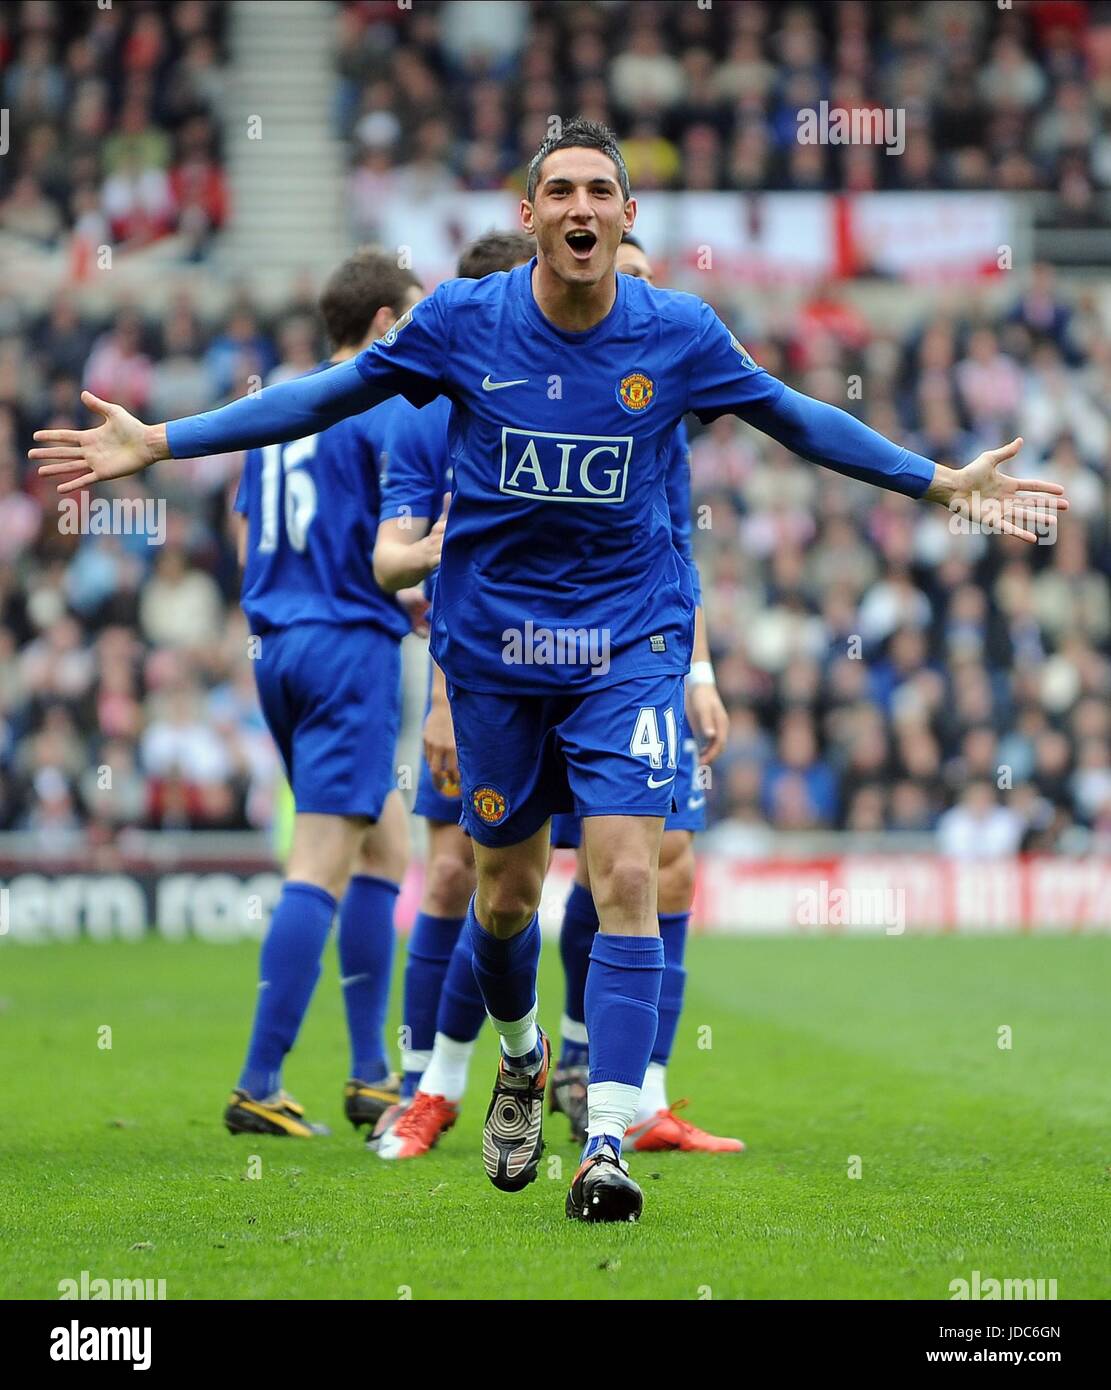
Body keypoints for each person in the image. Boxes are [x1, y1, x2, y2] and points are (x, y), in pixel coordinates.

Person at [33, 118, 1066, 1221]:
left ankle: (606, 1136)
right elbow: (326, 396)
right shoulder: (463, 321)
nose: (581, 209)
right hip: (494, 653)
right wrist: (166, 441)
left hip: (628, 645)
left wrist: (935, 482)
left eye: (601, 194)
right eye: (561, 192)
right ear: (529, 216)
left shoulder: (677, 333)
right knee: (505, 893)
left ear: (628, 219)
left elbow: (796, 418)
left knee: (626, 875)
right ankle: (519, 1058)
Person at [222, 248, 440, 1138]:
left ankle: (368, 1075)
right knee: (319, 859)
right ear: (387, 324)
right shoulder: (379, 405)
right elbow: (394, 545)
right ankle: (258, 1083)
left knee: (383, 850)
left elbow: (246, 540)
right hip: (348, 645)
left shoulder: (282, 402)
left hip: (276, 642)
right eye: (417, 317)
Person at [548, 234, 739, 1154]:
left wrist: (697, 671)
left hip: (648, 660)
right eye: (632, 286)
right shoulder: (550, 402)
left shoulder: (660, 415)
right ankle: (567, 1055)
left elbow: (673, 553)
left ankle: (644, 1093)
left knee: (660, 864)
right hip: (546, 661)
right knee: (545, 876)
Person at [370, 229, 535, 1157]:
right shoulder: (423, 409)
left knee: (608, 875)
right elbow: (392, 559)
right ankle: (421, 1080)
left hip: (584, 671)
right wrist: (440, 547)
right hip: (466, 674)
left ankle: (594, 1082)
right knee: (456, 876)